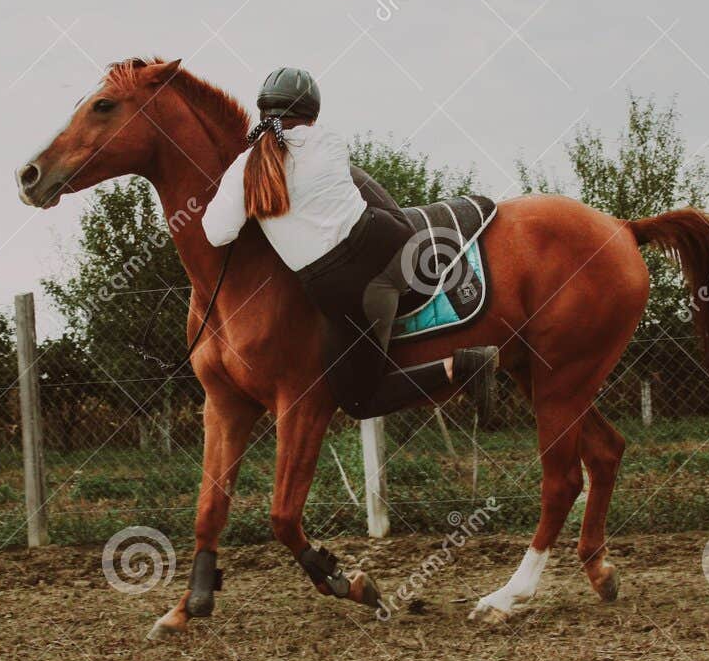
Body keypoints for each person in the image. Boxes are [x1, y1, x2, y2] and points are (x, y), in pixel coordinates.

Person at [202, 66, 498, 419]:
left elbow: (217, 232)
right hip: (388, 237)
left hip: (354, 286)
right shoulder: (328, 141)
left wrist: (246, 200)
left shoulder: (244, 168)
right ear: (312, 116)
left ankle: (464, 368)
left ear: (263, 111)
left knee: (359, 401)